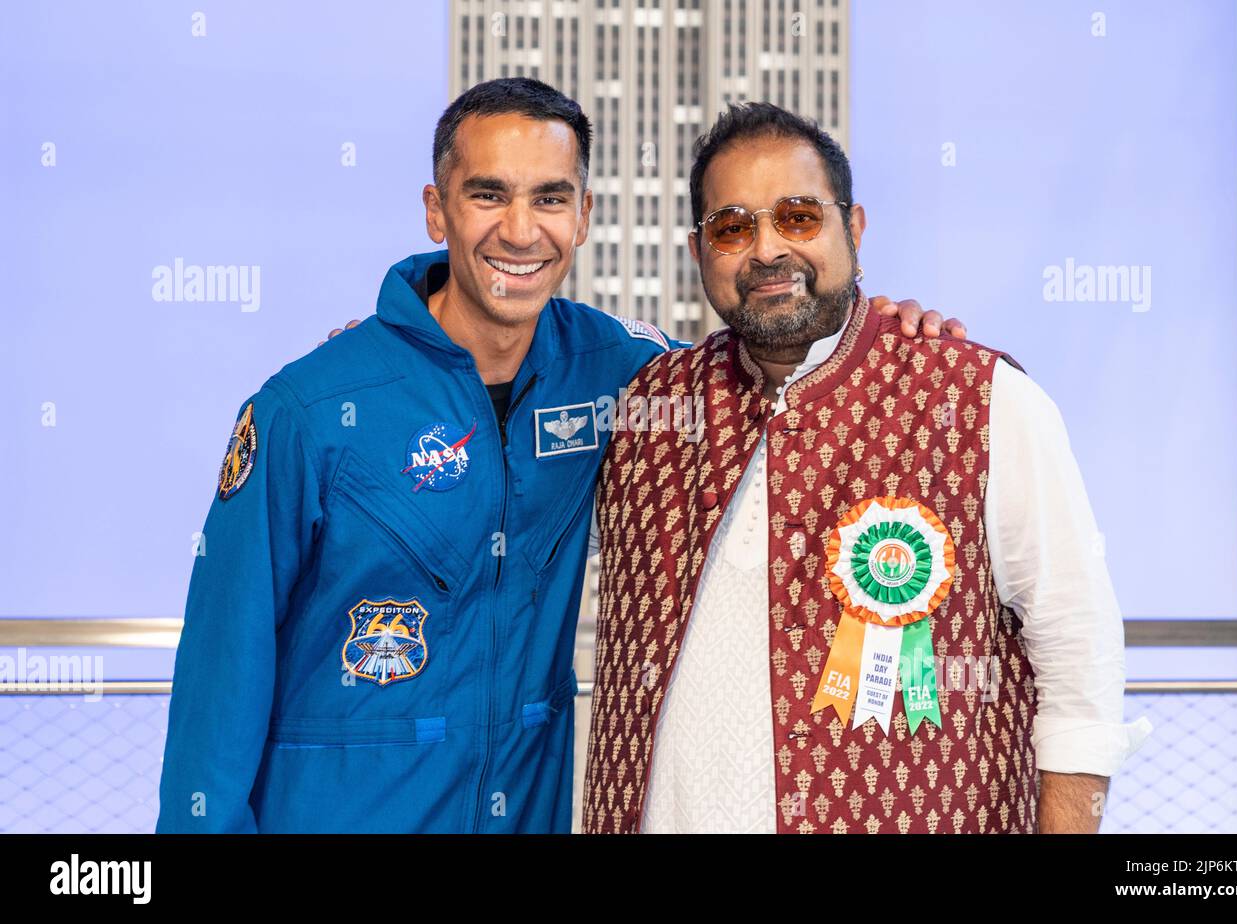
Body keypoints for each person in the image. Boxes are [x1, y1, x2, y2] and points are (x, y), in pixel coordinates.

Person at [157, 78, 957, 833]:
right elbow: (220, 678)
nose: (520, 229)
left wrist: (879, 330)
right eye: (488, 195)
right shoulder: (309, 410)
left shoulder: (623, 372)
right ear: (437, 212)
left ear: (583, 216)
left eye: (550, 198)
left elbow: (771, 361)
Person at [582, 102, 1153, 834]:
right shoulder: (646, 409)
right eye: (732, 227)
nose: (765, 251)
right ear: (700, 254)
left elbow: (1078, 658)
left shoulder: (979, 400)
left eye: (796, 217)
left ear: (853, 230)